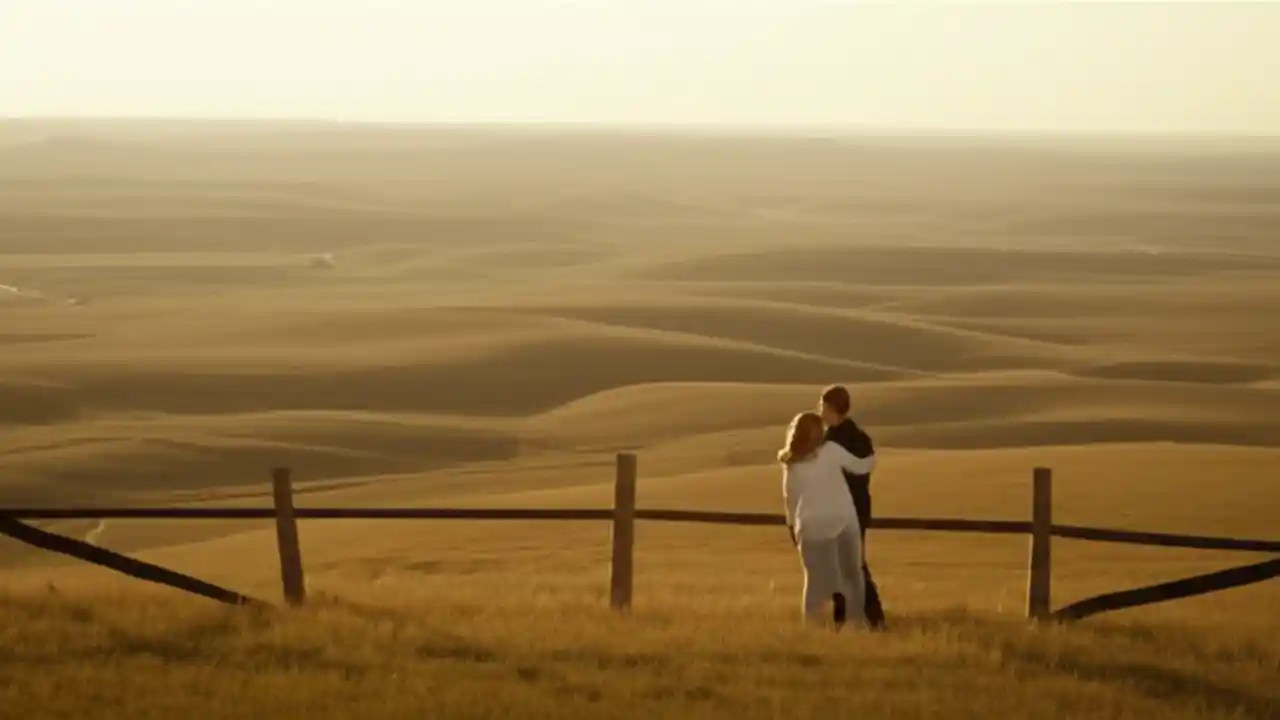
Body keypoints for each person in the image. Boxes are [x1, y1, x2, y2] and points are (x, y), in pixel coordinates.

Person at [779, 411, 876, 627]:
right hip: (843, 521)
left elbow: (790, 499)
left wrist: (792, 527)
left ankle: (812, 628)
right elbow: (860, 466)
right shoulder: (830, 451)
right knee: (852, 577)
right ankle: (856, 625)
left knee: (814, 583)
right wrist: (871, 455)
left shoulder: (790, 462)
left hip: (811, 527)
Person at [819, 385, 886, 629]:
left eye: (823, 407)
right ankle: (865, 617)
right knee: (851, 565)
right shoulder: (860, 438)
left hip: (841, 511)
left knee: (846, 566)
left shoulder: (831, 442)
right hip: (858, 509)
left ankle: (864, 617)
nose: (821, 413)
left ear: (832, 408)